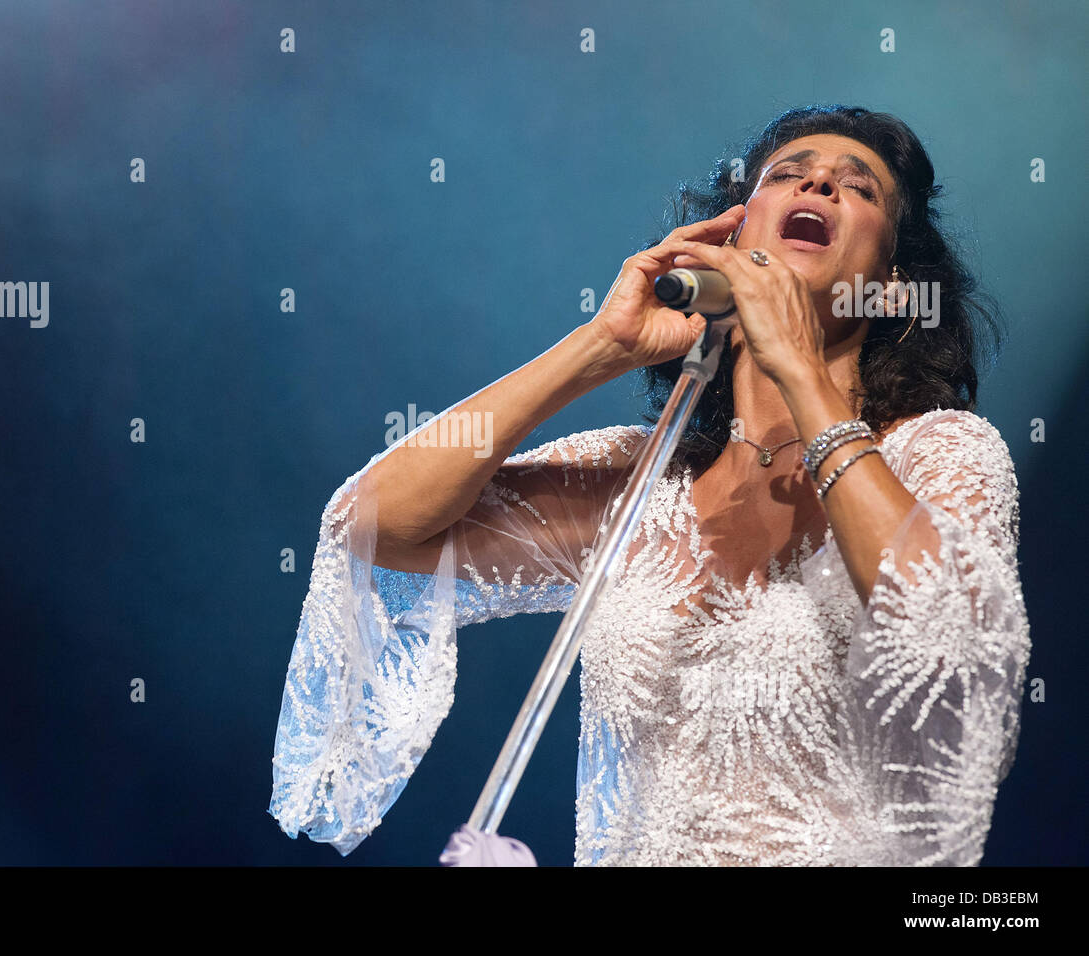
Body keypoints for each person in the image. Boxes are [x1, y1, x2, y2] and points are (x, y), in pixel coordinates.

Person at [268, 105, 1031, 866]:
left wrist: (799, 366)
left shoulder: (939, 452)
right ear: (726, 245)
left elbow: (944, 633)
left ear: (893, 289)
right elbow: (372, 524)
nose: (821, 181)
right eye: (788, 175)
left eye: (858, 188)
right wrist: (601, 346)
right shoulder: (642, 479)